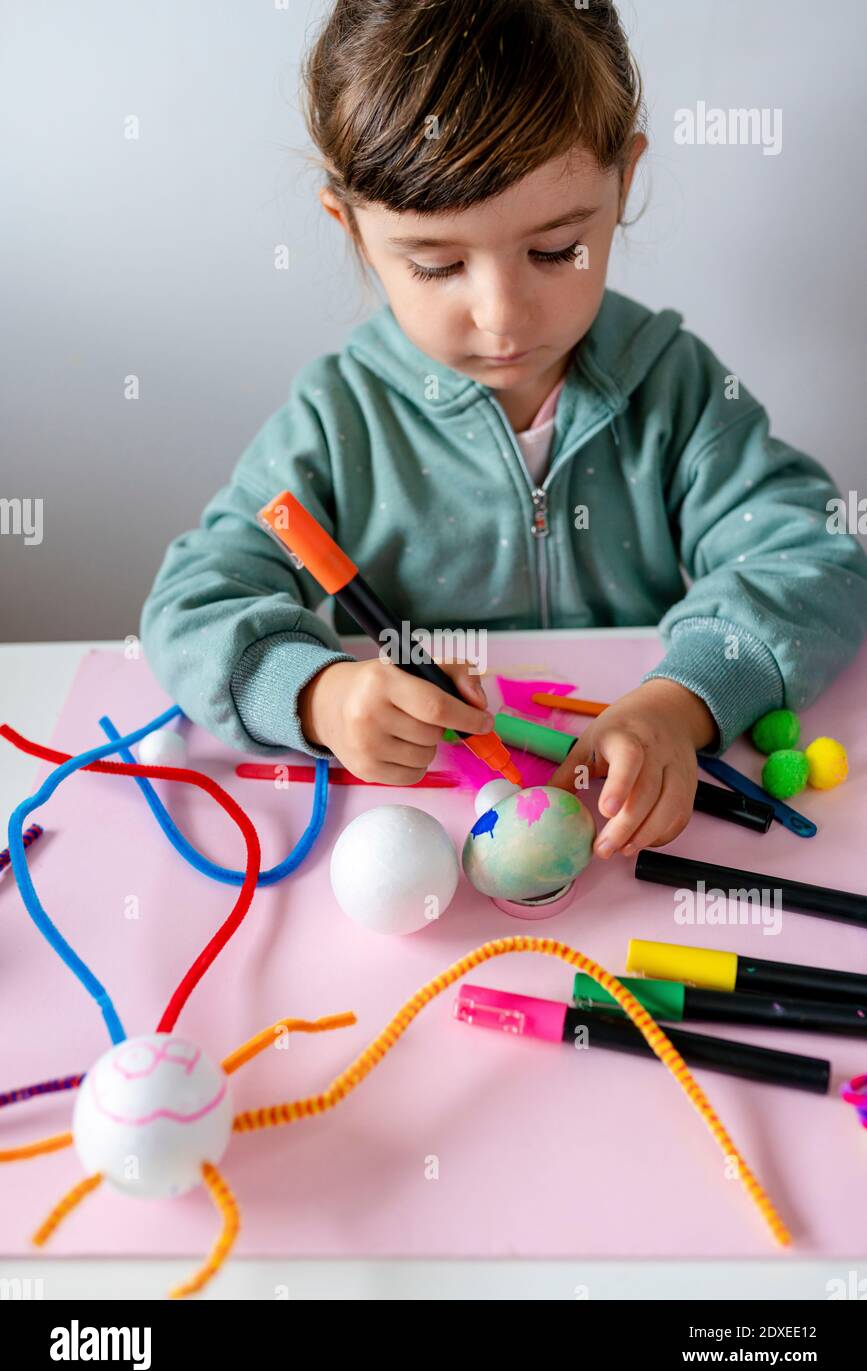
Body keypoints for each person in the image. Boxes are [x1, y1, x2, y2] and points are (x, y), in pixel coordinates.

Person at [140, 0, 867, 862]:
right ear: (353, 231)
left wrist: (683, 701)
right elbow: (193, 606)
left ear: (622, 183)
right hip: (430, 826)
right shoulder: (337, 421)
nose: (501, 315)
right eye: (438, 265)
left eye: (556, 250)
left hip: (621, 824)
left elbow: (814, 555)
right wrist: (320, 698)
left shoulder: (672, 386)